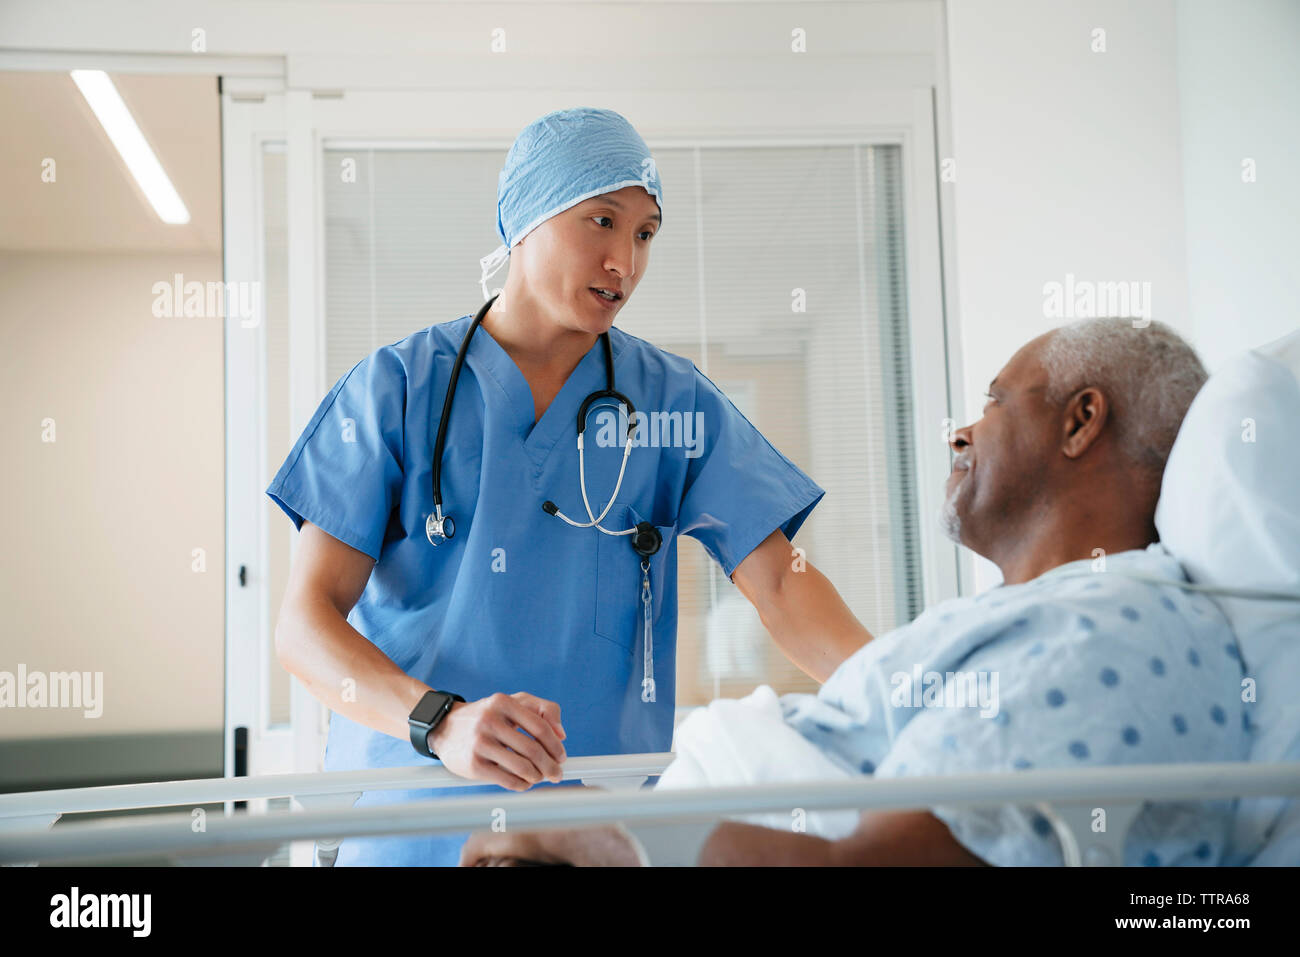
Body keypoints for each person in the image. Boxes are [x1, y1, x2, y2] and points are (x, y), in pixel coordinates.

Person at [267, 107, 872, 866]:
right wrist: (441, 721)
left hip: (595, 829)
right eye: (601, 221)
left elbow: (782, 581)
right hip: (413, 819)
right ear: (525, 221)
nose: (625, 260)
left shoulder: (670, 402)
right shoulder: (396, 389)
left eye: (645, 233)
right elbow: (302, 624)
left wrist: (904, 697)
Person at [460, 318, 1251, 866]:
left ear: (1082, 421)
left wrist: (600, 834)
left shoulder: (1105, 630)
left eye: (994, 401)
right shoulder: (1033, 618)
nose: (960, 431)